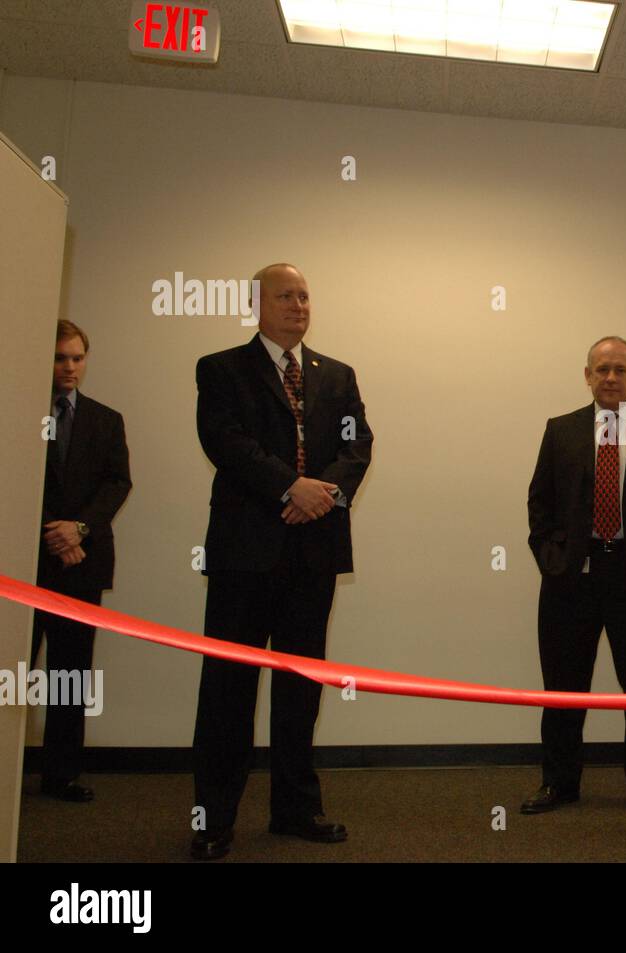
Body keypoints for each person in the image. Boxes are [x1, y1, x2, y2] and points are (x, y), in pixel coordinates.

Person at [189, 263, 373, 860]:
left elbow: (357, 445)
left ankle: (296, 810)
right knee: (227, 692)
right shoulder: (220, 369)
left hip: (312, 553)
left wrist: (319, 493)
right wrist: (291, 486)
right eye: (285, 295)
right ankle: (213, 819)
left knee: (300, 689)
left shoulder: (336, 375)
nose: (299, 304)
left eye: (304, 295)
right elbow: (227, 443)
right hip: (245, 554)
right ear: (257, 304)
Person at [523, 336, 626, 817]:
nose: (611, 377)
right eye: (602, 369)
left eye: (620, 369)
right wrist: (554, 561)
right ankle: (558, 784)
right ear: (587, 375)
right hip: (570, 578)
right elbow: (539, 503)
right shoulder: (561, 430)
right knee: (562, 688)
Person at [31, 320, 131, 803]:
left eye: (77, 357)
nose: (70, 367)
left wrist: (78, 530)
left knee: (70, 674)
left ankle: (61, 774)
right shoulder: (18, 411)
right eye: (59, 358)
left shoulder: (105, 419)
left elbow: (118, 483)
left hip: (82, 563)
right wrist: (53, 529)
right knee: (13, 670)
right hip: (24, 564)